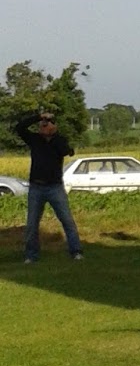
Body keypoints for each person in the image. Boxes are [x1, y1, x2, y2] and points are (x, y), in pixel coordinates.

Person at [16, 109, 83, 263]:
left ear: (54, 127)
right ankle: (31, 255)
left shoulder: (59, 141)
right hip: (36, 187)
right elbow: (20, 127)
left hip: (55, 187)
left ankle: (76, 251)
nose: (43, 126)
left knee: (67, 220)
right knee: (32, 223)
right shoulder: (34, 139)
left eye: (46, 124)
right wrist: (38, 117)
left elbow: (66, 150)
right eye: (42, 124)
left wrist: (54, 135)